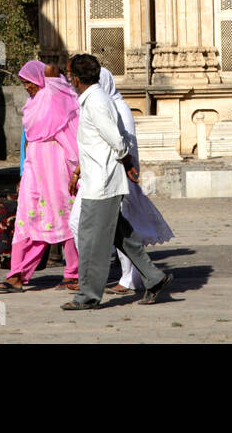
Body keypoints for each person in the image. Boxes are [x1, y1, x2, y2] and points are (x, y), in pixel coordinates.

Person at [62, 54, 173, 310]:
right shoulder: (92, 100)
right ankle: (154, 279)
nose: (69, 80)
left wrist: (128, 164)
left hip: (102, 183)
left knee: (92, 241)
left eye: (70, 75)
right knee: (122, 236)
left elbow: (116, 139)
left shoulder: (97, 102)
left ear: (77, 79)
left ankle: (87, 296)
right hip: (98, 179)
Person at [0, 61, 80, 293]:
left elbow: (50, 68)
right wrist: (24, 172)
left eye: (29, 81)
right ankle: (17, 275)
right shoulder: (31, 104)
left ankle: (73, 273)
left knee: (64, 217)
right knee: (27, 219)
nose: (27, 87)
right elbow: (28, 141)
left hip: (55, 165)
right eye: (23, 84)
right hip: (34, 166)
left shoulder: (54, 95)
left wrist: (60, 67)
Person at [99, 67, 174, 294]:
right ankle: (132, 277)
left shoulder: (119, 108)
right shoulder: (106, 105)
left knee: (124, 228)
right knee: (120, 229)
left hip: (120, 177)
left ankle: (129, 278)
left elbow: (124, 145)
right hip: (109, 177)